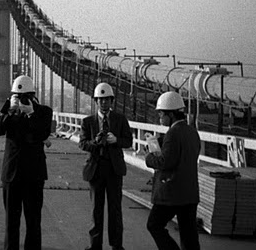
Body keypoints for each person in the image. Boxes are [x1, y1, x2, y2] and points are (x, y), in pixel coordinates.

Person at [0, 75, 53, 250]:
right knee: (11, 221)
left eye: (25, 96)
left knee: (34, 222)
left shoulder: (43, 112)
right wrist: (9, 112)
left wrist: (31, 114)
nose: (21, 100)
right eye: (18, 96)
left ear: (33, 95)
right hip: (12, 173)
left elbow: (42, 134)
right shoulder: (9, 112)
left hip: (34, 174)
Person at [79, 82, 133, 250]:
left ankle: (117, 245)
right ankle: (95, 245)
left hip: (114, 169)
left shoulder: (120, 119)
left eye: (107, 99)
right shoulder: (88, 122)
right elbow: (82, 144)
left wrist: (116, 140)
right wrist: (95, 143)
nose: (104, 103)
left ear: (112, 101)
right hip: (96, 169)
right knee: (97, 209)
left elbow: (129, 141)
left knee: (115, 209)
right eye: (100, 100)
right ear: (96, 101)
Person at [145, 91, 201, 250]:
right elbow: (184, 155)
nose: (160, 117)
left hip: (172, 193)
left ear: (171, 114)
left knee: (154, 225)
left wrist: (149, 156)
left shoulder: (173, 133)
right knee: (189, 235)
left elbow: (164, 162)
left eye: (161, 113)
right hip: (189, 193)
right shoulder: (192, 132)